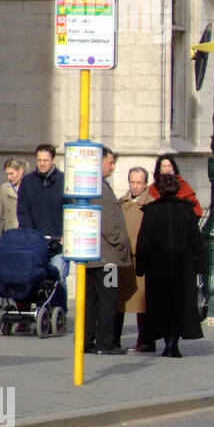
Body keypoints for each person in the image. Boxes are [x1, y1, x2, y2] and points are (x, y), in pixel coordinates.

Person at [135, 172, 205, 358]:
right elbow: (196, 240)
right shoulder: (186, 210)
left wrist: (140, 267)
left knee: (162, 304)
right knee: (179, 304)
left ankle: (168, 341)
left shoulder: (151, 210)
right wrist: (201, 267)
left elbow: (143, 241)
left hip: (158, 267)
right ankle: (174, 342)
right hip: (183, 266)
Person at [84, 147, 132, 355]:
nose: (113, 167)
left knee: (93, 299)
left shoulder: (99, 185)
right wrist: (119, 241)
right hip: (108, 258)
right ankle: (105, 342)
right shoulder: (99, 188)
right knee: (108, 298)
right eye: (110, 163)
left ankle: (87, 341)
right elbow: (107, 222)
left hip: (98, 257)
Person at [16, 143, 67, 313]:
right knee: (33, 277)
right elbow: (22, 210)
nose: (42, 163)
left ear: (53, 160)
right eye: (39, 160)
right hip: (34, 242)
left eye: (46, 160)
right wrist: (29, 234)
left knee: (58, 278)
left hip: (58, 241)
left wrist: (65, 234)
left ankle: (58, 312)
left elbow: (69, 210)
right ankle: (35, 311)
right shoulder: (28, 182)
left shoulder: (64, 181)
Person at [116, 166, 153, 352]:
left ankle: (145, 341)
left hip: (141, 260)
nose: (135, 186)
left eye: (139, 182)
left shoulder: (151, 205)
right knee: (116, 300)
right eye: (132, 182)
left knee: (142, 303)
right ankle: (113, 339)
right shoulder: (121, 203)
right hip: (121, 260)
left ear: (146, 183)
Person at [149, 154, 203, 218]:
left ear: (173, 168)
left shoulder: (182, 184)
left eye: (170, 166)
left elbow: (195, 207)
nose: (167, 169)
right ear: (159, 170)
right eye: (164, 166)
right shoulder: (153, 187)